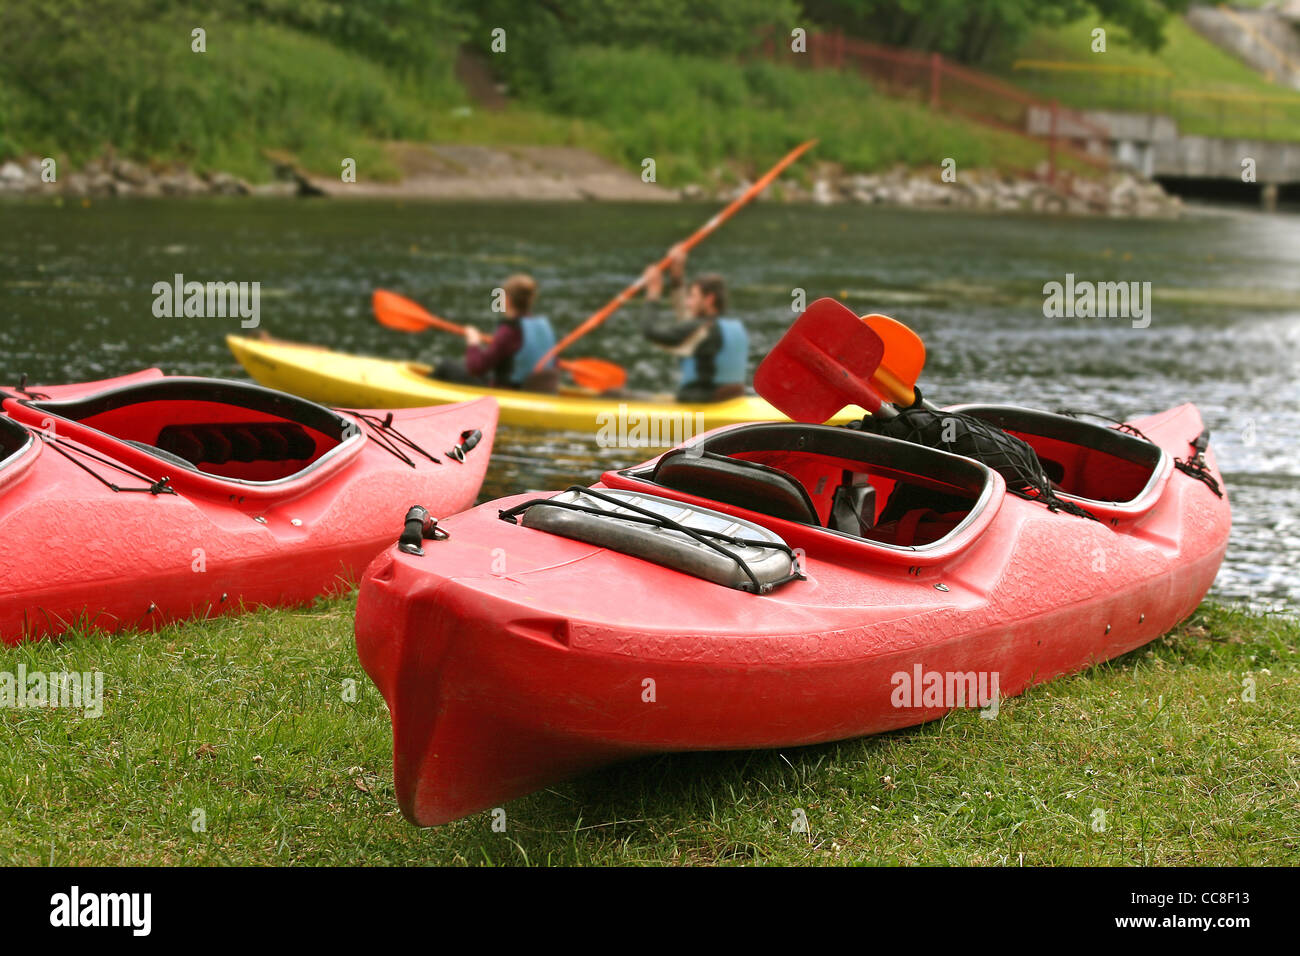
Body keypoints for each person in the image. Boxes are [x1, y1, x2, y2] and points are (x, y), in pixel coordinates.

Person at [641, 247, 748, 403]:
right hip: (733, 398)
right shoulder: (733, 325)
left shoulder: (701, 329)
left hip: (700, 401)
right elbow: (687, 321)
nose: (688, 302)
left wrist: (653, 292)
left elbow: (649, 331)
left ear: (709, 299)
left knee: (613, 395)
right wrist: (677, 277)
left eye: (692, 296)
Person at [434, 274, 558, 392]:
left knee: (445, 366)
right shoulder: (543, 327)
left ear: (507, 300)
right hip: (531, 391)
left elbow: (476, 368)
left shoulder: (508, 331)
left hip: (508, 394)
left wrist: (473, 343)